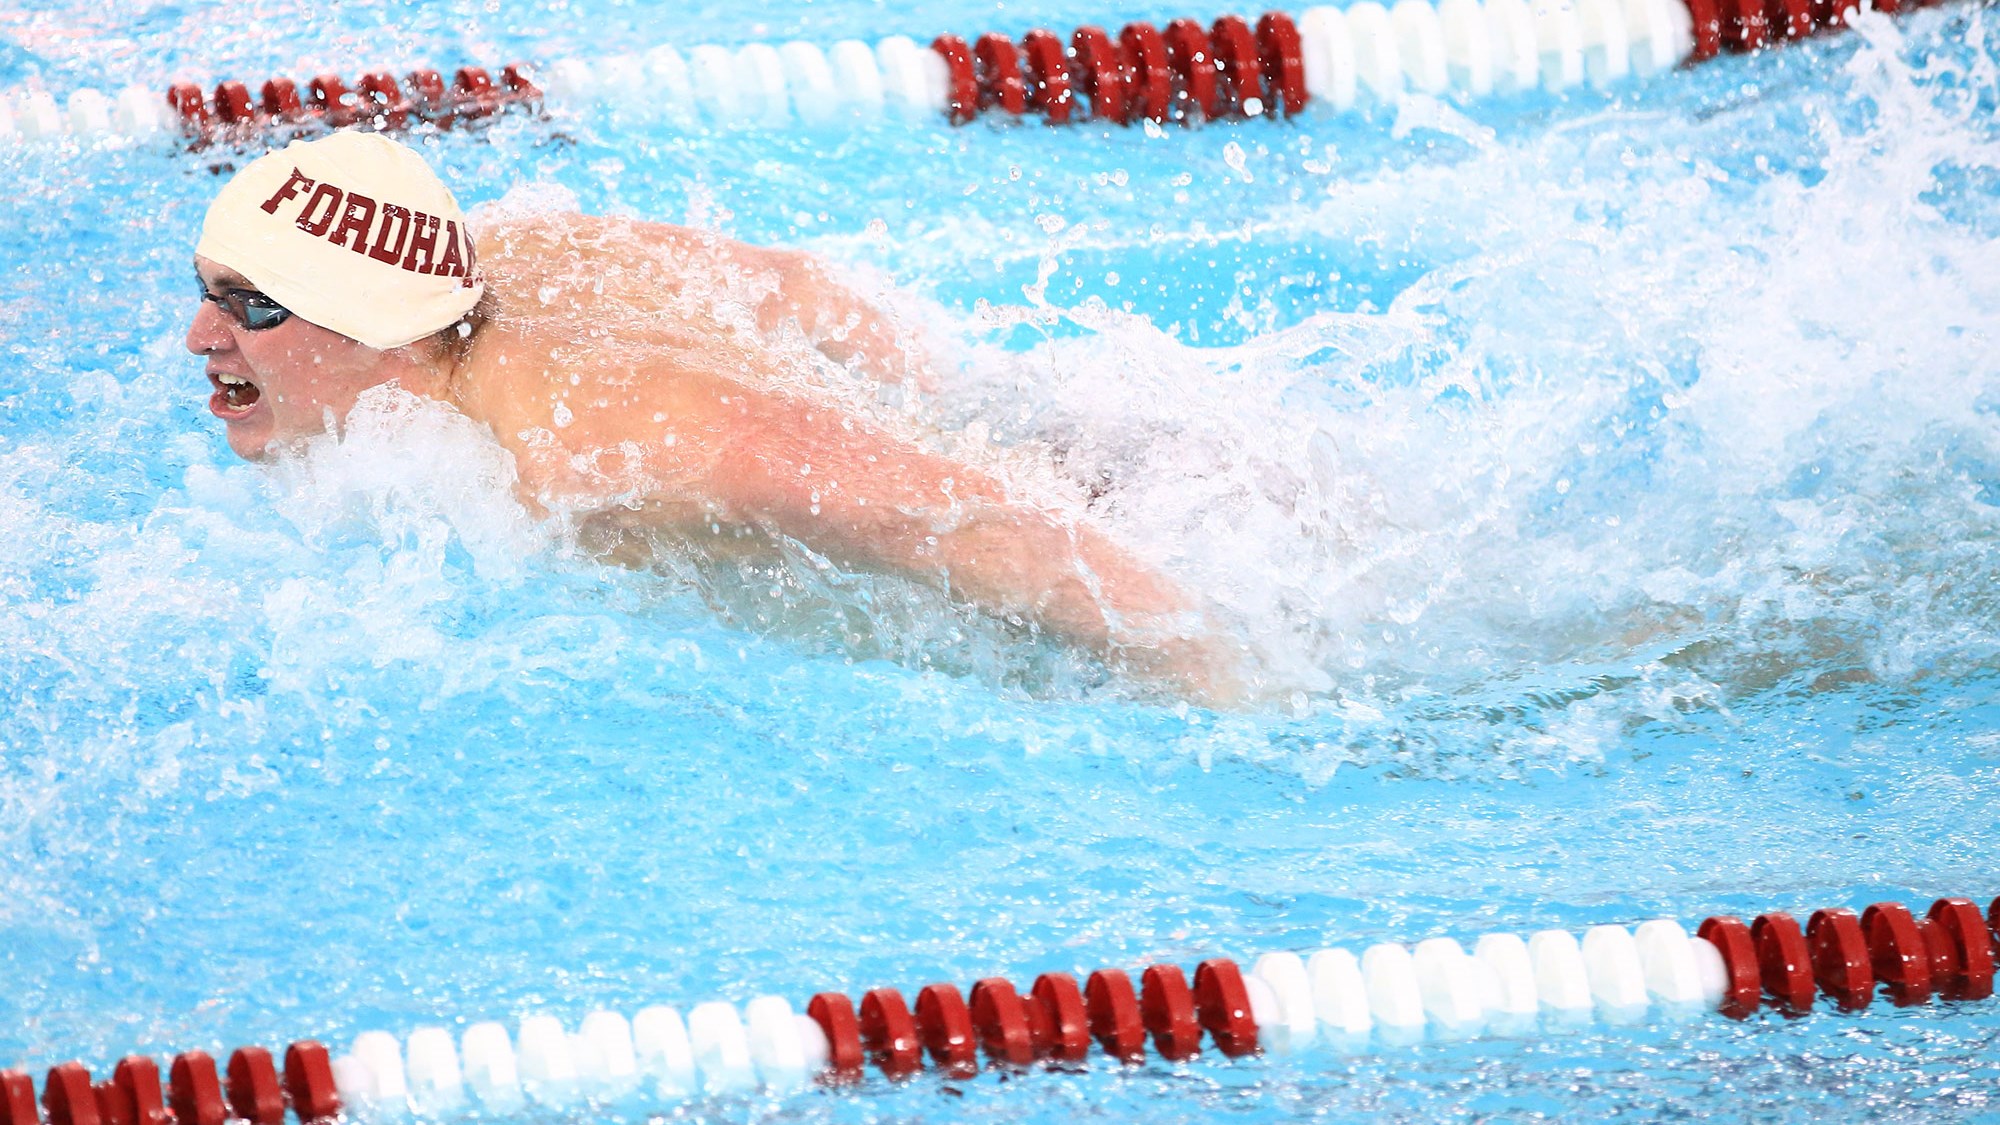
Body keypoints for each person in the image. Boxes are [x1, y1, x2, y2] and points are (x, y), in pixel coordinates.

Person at [187, 130, 1242, 701]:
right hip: (1047, 447)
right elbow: (798, 288)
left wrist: (1227, 690)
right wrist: (951, 393)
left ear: (391, 334)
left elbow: (974, 522)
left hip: (1149, 534)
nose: (200, 337)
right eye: (208, 288)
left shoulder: (592, 451)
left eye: (255, 307)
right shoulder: (506, 254)